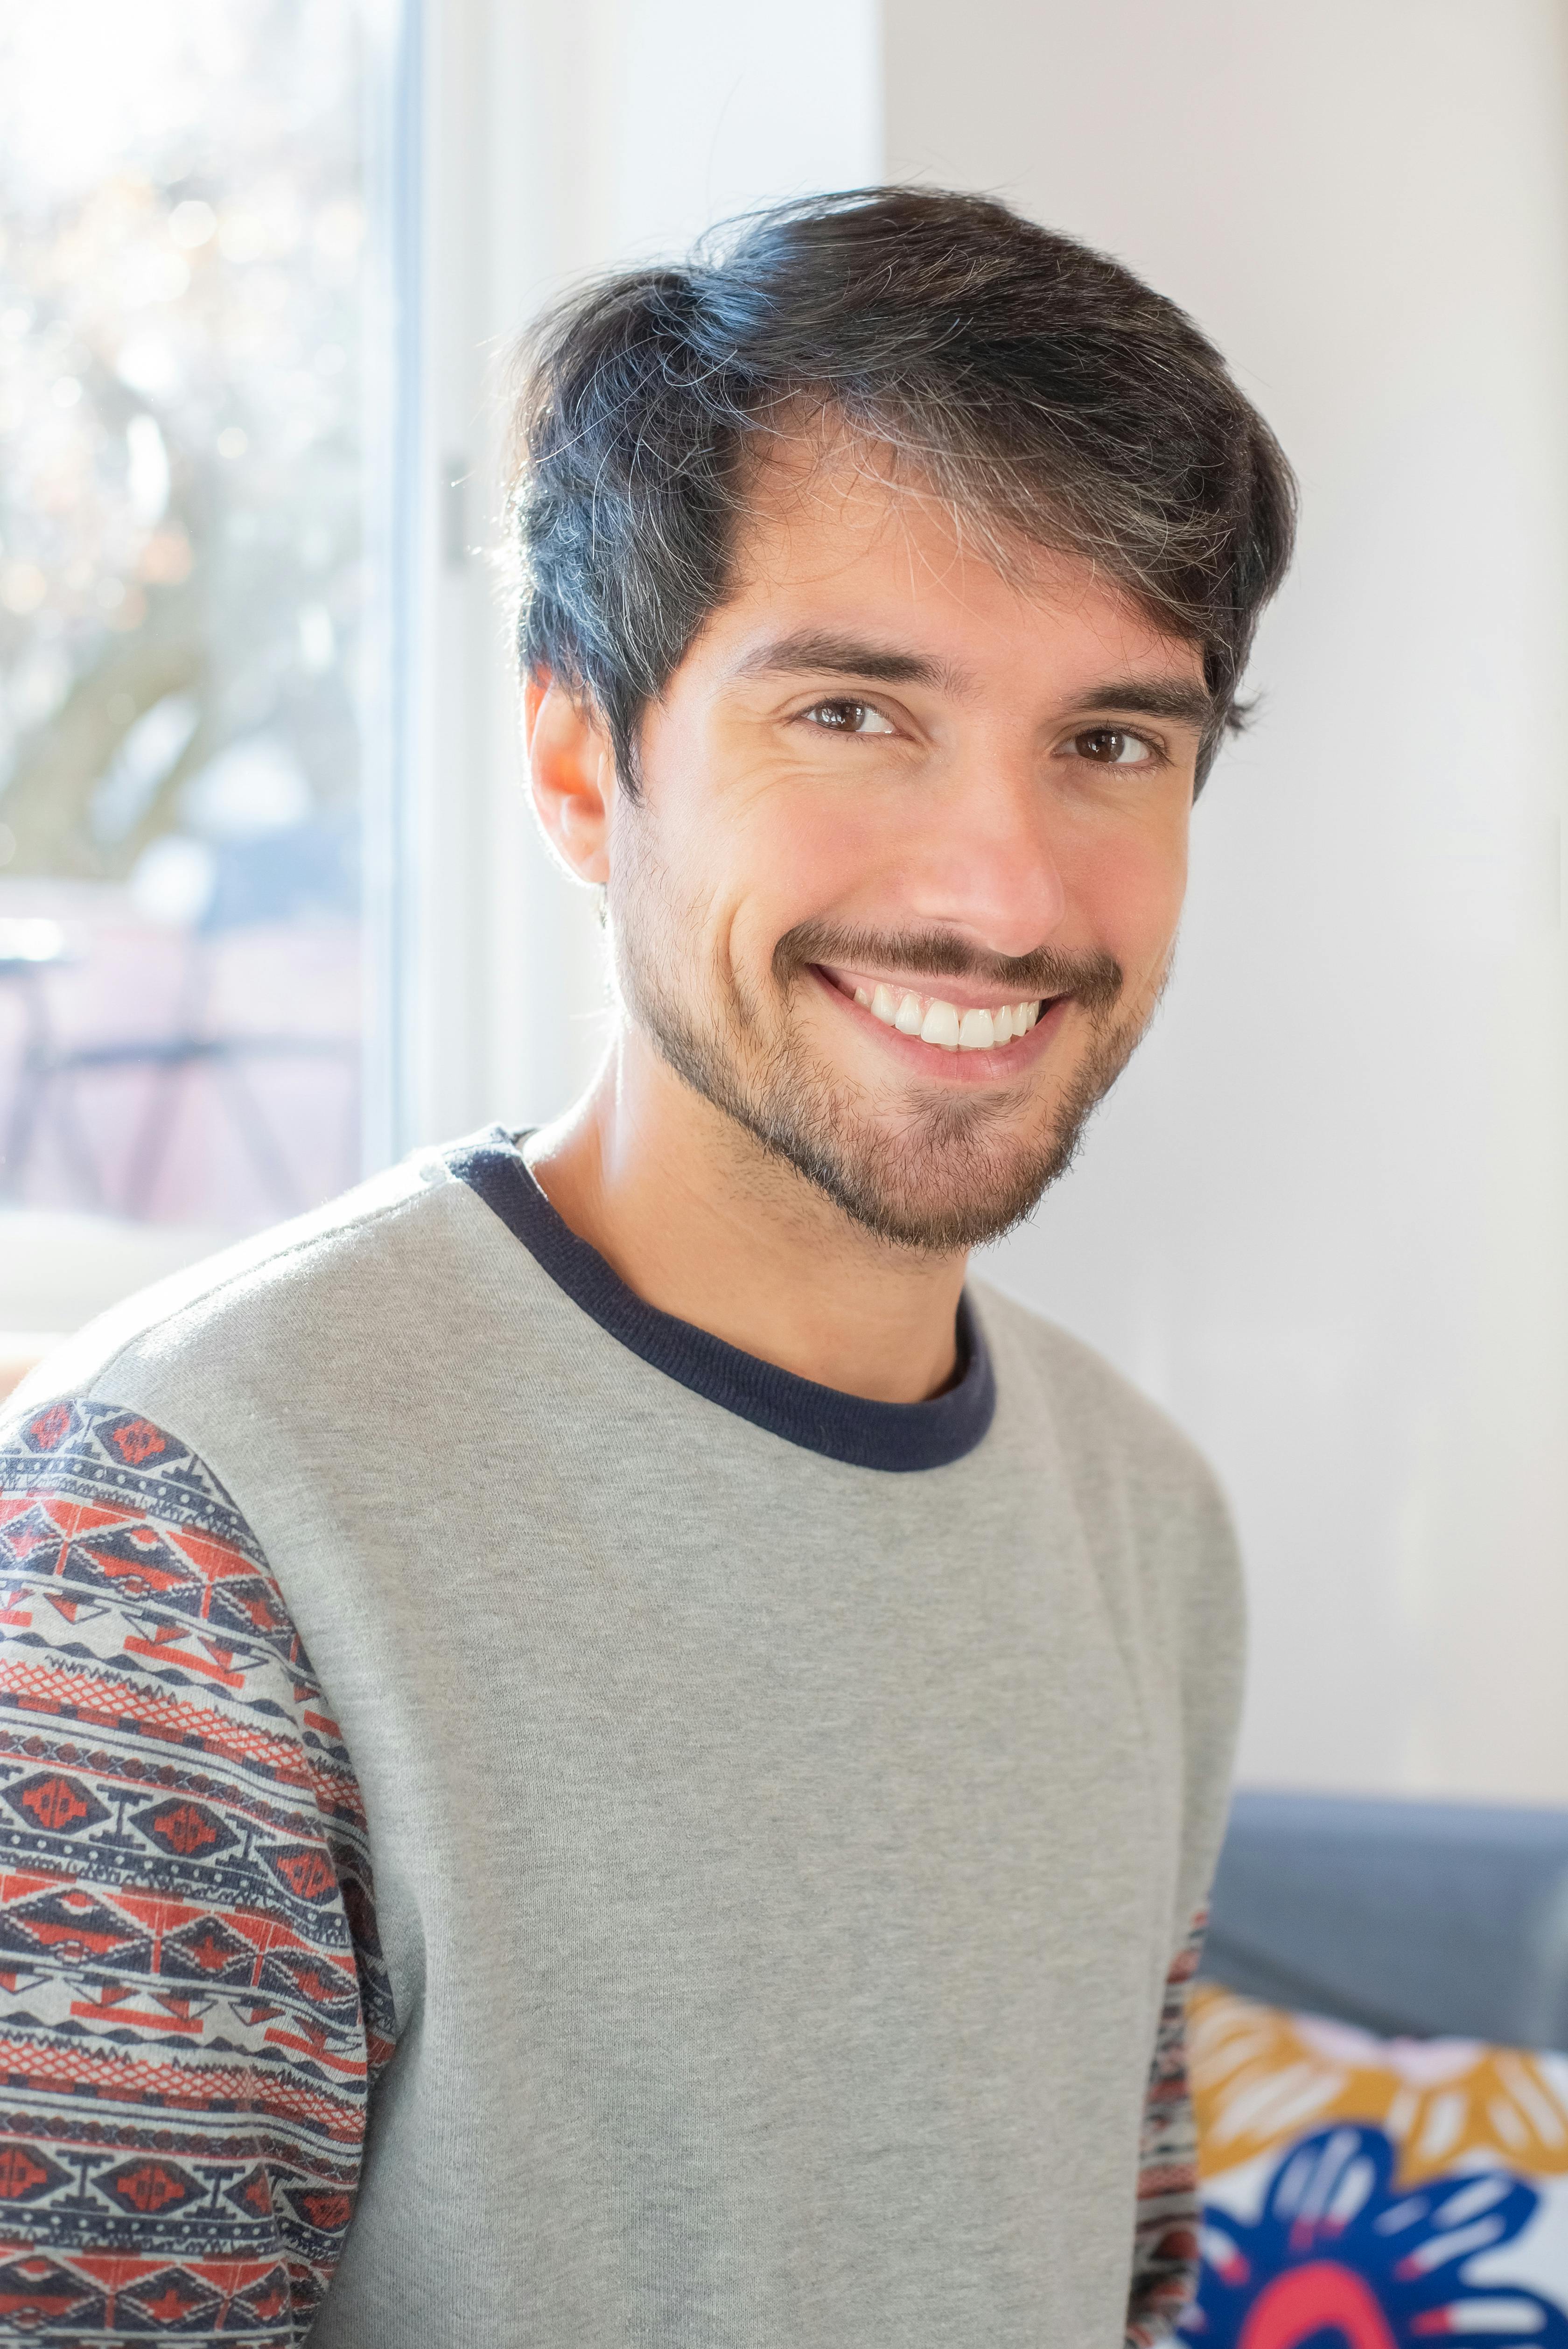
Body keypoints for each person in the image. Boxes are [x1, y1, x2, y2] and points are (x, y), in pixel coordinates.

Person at [0, 187, 1294, 2347]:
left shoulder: (1149, 1522)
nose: (1004, 894)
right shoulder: (186, 1519)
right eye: (855, 712)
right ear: (580, 764)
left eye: (1111, 741)